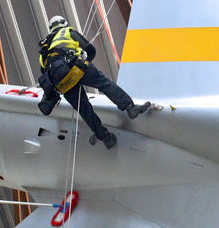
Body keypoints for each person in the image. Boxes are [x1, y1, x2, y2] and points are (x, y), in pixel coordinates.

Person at [36, 16, 151, 149]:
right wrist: (85, 61)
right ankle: (130, 107)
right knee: (104, 84)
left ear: (51, 29)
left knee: (84, 109)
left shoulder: (44, 50)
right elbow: (91, 50)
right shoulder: (68, 32)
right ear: (64, 24)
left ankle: (105, 137)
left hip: (62, 83)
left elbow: (44, 72)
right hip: (77, 67)